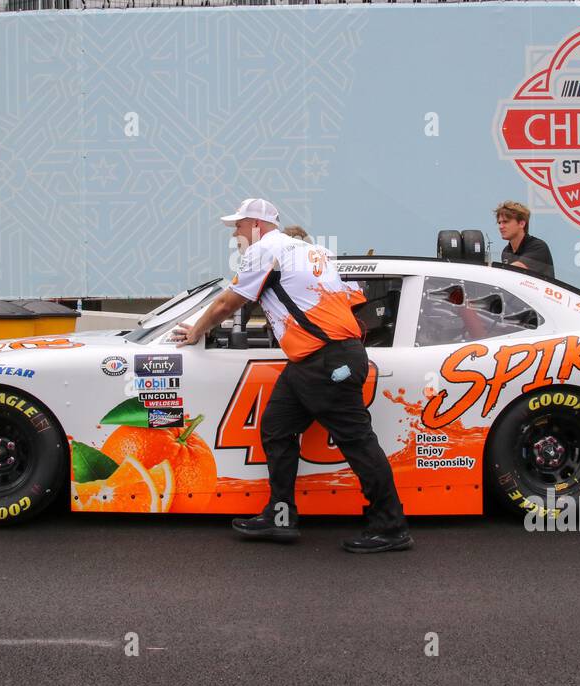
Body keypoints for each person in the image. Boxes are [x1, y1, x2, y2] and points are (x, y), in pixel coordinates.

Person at [172, 197, 412, 554]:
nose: (235, 233)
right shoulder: (307, 250)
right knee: (276, 428)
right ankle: (280, 516)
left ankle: (391, 526)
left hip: (328, 361)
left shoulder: (265, 249)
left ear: (256, 225)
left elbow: (228, 303)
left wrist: (196, 330)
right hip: (319, 360)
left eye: (238, 226)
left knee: (357, 442)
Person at [493, 201, 555, 278]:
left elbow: (516, 269)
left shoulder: (538, 246)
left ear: (521, 224)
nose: (501, 227)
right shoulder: (506, 251)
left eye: (505, 222)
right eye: (499, 223)